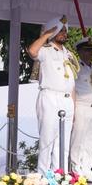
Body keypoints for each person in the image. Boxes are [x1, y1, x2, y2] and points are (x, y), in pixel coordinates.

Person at [28, 15, 77, 175]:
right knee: (47, 139)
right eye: (60, 30)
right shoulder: (46, 50)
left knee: (63, 143)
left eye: (65, 30)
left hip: (67, 99)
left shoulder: (69, 54)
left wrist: (74, 107)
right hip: (50, 97)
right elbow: (32, 51)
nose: (64, 33)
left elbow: (72, 84)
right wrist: (46, 35)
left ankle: (60, 175)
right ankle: (43, 175)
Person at [68, 37, 92, 182]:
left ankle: (87, 169)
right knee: (78, 140)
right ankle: (76, 170)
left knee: (91, 140)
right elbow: (71, 88)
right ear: (80, 52)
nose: (90, 53)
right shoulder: (75, 67)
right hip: (81, 106)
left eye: (91, 51)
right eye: (86, 51)